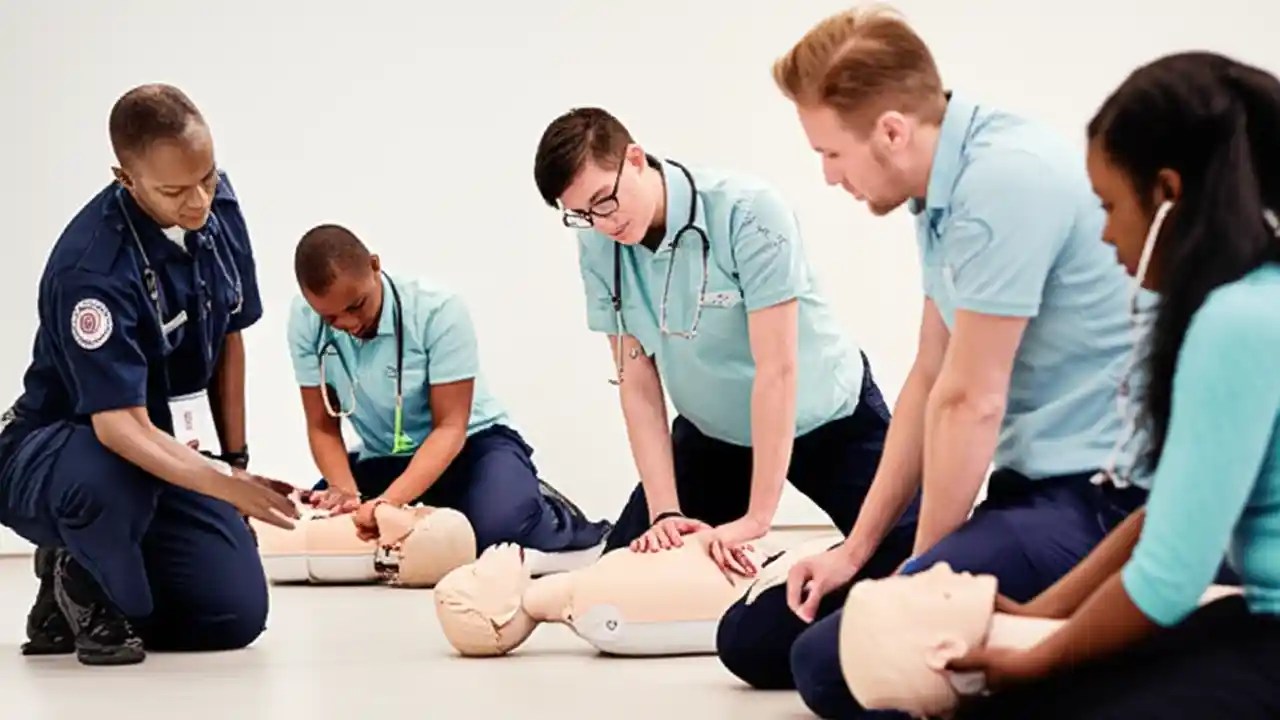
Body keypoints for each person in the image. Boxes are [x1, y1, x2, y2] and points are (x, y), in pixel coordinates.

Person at [714, 7, 1149, 716]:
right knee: (754, 639)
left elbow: (971, 401)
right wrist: (856, 551)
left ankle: (1102, 650)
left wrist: (920, 580)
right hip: (1026, 492)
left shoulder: (1004, 182)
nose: (828, 177)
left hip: (1101, 505)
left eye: (831, 153)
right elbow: (928, 376)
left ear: (891, 131)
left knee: (827, 670)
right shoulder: (940, 191)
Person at [945, 51, 1280, 720]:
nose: (1104, 232)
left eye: (1109, 205)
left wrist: (1037, 658)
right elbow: (1168, 514)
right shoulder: (1255, 300)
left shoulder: (1237, 321)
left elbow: (1169, 579)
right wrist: (1042, 617)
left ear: (1167, 194)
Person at [533, 107, 918, 576]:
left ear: (634, 159)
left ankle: (786, 564)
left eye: (604, 201)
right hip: (714, 435)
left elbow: (777, 371)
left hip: (826, 418)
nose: (601, 223)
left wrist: (757, 519)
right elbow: (635, 379)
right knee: (621, 580)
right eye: (581, 214)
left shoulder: (747, 211)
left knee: (920, 564)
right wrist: (665, 512)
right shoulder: (599, 243)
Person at [0, 84, 298, 666]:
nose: (198, 202)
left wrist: (234, 462)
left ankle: (104, 571)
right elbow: (119, 428)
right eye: (174, 191)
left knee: (232, 614)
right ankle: (79, 571)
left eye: (206, 177)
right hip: (69, 449)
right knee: (108, 479)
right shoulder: (91, 270)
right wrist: (222, 484)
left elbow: (229, 335)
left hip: (160, 448)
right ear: (126, 179)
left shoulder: (217, 203)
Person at [287, 224, 611, 554]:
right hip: (387, 456)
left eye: (357, 305)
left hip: (472, 445)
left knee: (499, 531)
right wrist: (346, 494)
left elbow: (450, 427)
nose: (349, 324)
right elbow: (322, 426)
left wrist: (388, 503)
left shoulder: (437, 311)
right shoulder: (305, 320)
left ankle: (549, 511)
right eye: (331, 319)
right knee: (319, 532)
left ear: (374, 266)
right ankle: (443, 509)